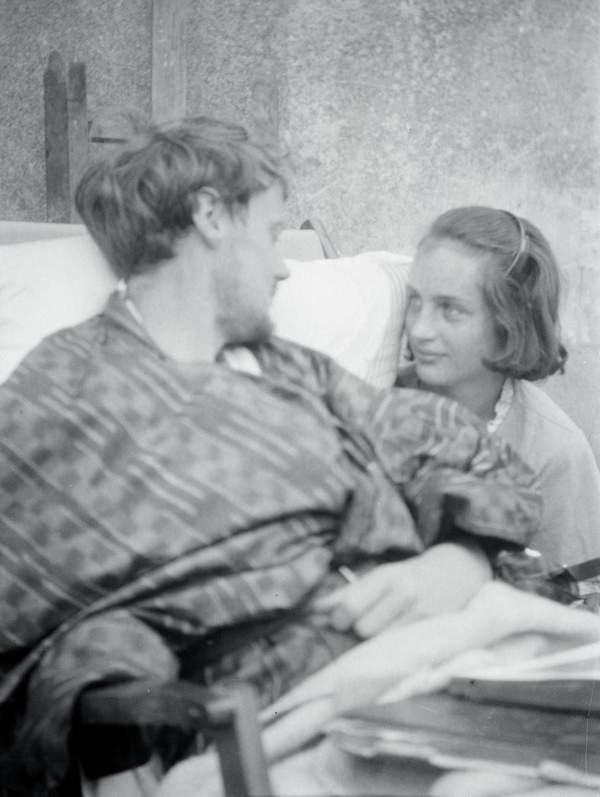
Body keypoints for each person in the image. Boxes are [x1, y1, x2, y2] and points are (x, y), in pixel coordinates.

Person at [0, 121, 540, 794]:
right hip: (293, 703)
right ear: (209, 216)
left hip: (451, 642)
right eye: (271, 233)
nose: (283, 266)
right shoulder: (64, 391)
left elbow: (463, 450)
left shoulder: (292, 369)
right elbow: (37, 614)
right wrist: (112, 710)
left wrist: (456, 558)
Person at [398, 206, 600, 568]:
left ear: (509, 323)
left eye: (450, 309)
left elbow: (571, 606)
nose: (420, 329)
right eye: (415, 300)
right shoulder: (377, 395)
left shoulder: (555, 455)